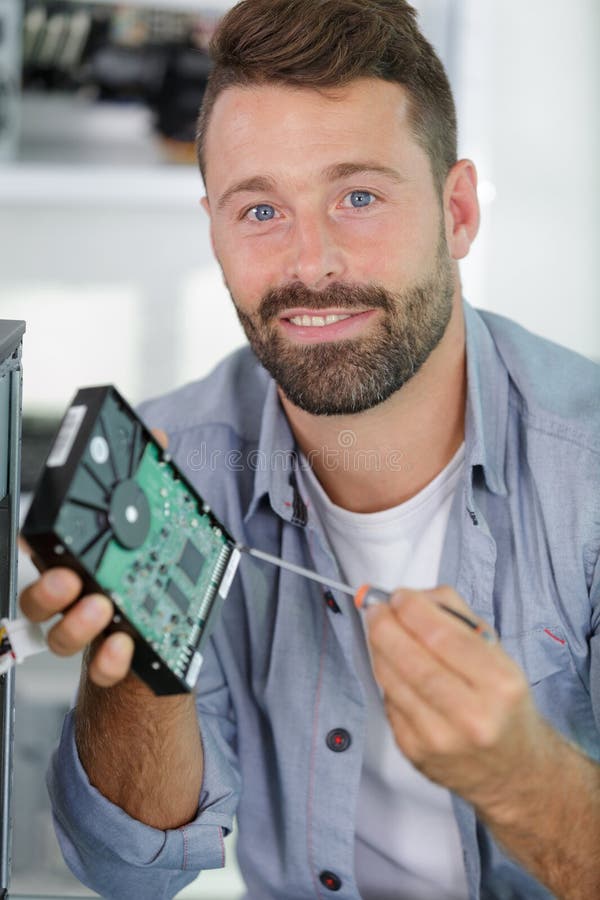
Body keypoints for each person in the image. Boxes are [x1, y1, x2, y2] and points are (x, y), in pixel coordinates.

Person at [20, 1, 600, 898]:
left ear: (457, 211)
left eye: (358, 196)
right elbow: (129, 877)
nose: (311, 261)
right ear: (212, 228)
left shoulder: (588, 469)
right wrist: (139, 671)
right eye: (260, 210)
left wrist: (518, 774)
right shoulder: (180, 466)